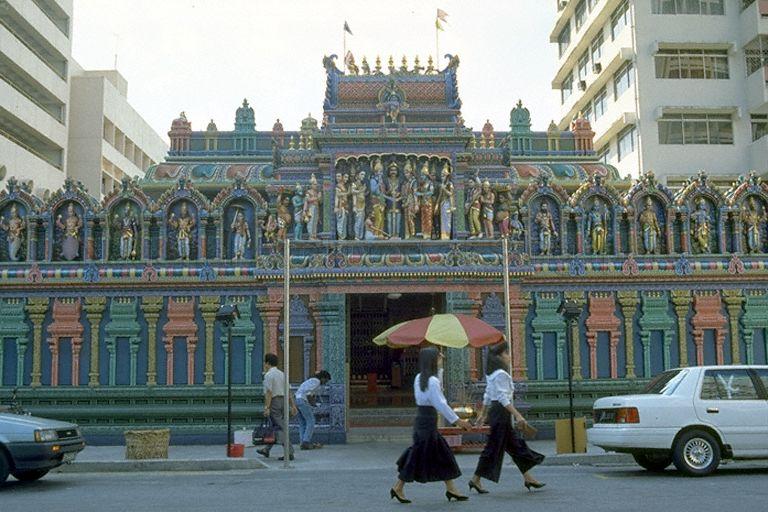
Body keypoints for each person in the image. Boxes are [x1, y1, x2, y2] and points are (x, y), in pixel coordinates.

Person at [391, 347, 472, 504]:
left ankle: (451, 488)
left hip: (422, 418)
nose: (442, 358)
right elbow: (440, 403)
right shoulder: (432, 381)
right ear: (432, 360)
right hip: (428, 420)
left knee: (442, 453)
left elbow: (434, 394)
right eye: (439, 357)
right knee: (417, 455)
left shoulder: (419, 378)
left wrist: (439, 371)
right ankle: (398, 487)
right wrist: (458, 421)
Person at [468, 343, 545, 494]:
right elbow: (503, 398)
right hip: (501, 413)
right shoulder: (501, 375)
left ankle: (528, 478)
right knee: (493, 448)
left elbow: (488, 395)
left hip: (496, 412)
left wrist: (483, 414)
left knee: (515, 446)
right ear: (499, 357)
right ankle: (475, 479)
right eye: (506, 353)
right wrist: (518, 415)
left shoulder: (492, 375)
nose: (509, 357)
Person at [257, 353, 297, 461]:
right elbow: (288, 391)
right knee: (275, 426)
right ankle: (266, 449)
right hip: (284, 401)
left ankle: (289, 452)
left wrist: (267, 407)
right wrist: (293, 406)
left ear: (267, 363)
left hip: (274, 402)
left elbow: (269, 392)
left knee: (280, 427)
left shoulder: (269, 375)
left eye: (265, 363)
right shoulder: (282, 374)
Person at [295, 370, 331, 450]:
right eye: (326, 380)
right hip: (302, 400)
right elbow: (308, 394)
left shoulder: (310, 380)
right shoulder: (316, 381)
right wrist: (313, 404)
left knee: (302, 422)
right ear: (323, 378)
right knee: (311, 421)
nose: (325, 382)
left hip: (297, 400)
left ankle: (302, 442)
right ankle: (306, 442)